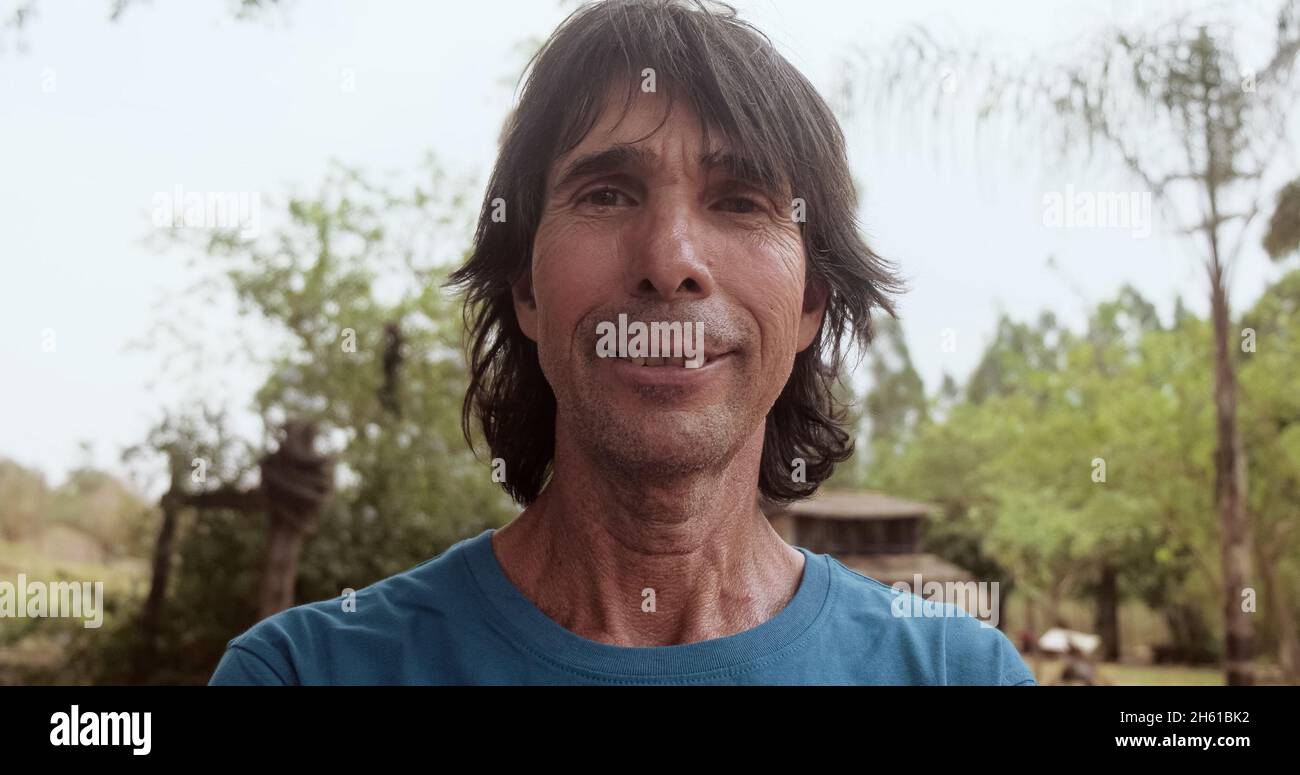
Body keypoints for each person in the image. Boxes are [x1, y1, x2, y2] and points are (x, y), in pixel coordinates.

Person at [210, 0, 1036, 686]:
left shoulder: (962, 674)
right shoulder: (305, 672)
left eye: (741, 202)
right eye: (607, 193)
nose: (670, 261)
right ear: (526, 288)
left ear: (812, 297)